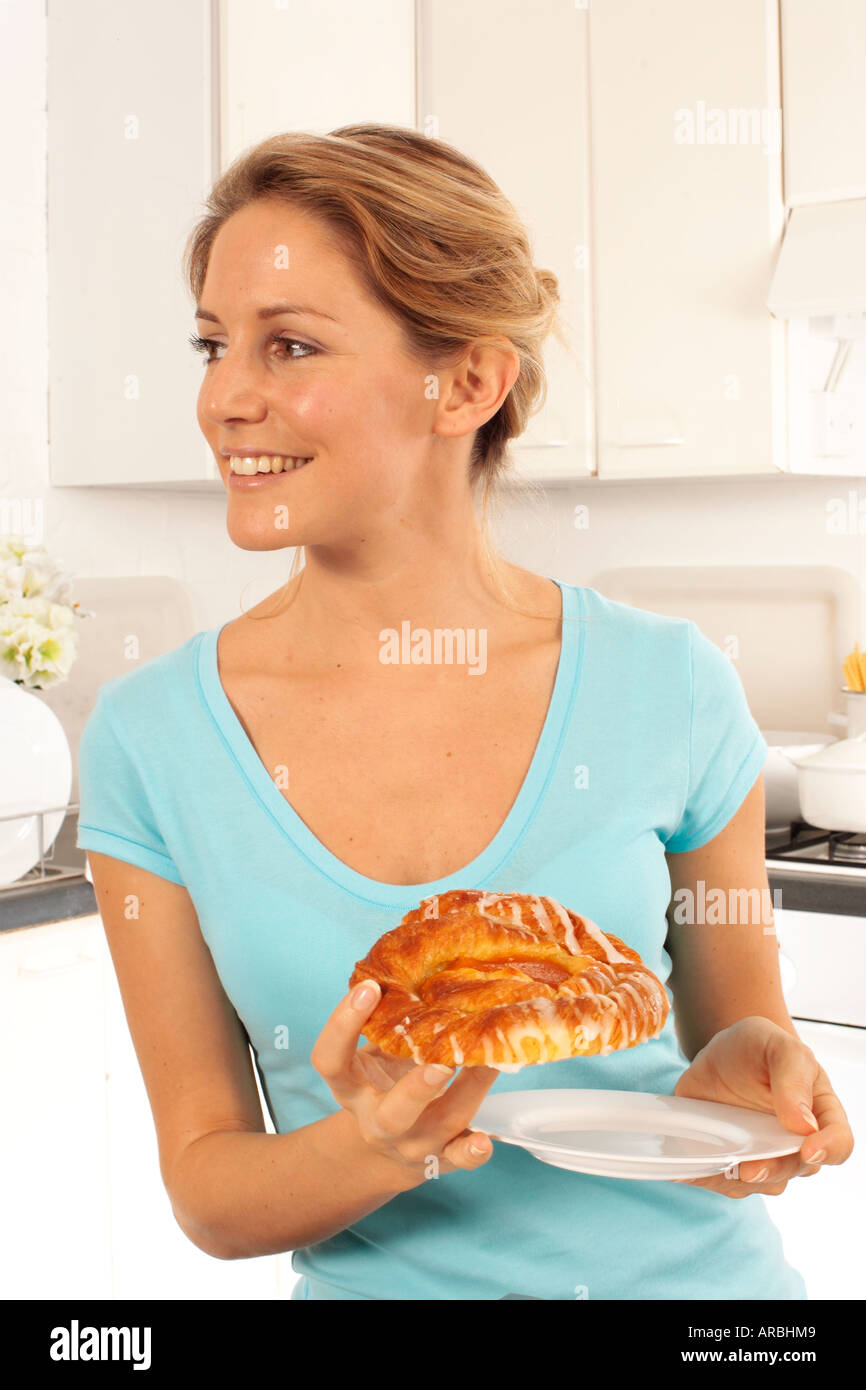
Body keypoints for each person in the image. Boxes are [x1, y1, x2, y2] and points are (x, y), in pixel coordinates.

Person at [77, 124, 852, 1301]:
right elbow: (208, 1188)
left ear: (470, 384)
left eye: (287, 345)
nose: (225, 397)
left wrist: (749, 1075)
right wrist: (374, 1147)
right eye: (212, 345)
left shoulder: (672, 686)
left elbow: (729, 1045)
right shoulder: (153, 740)